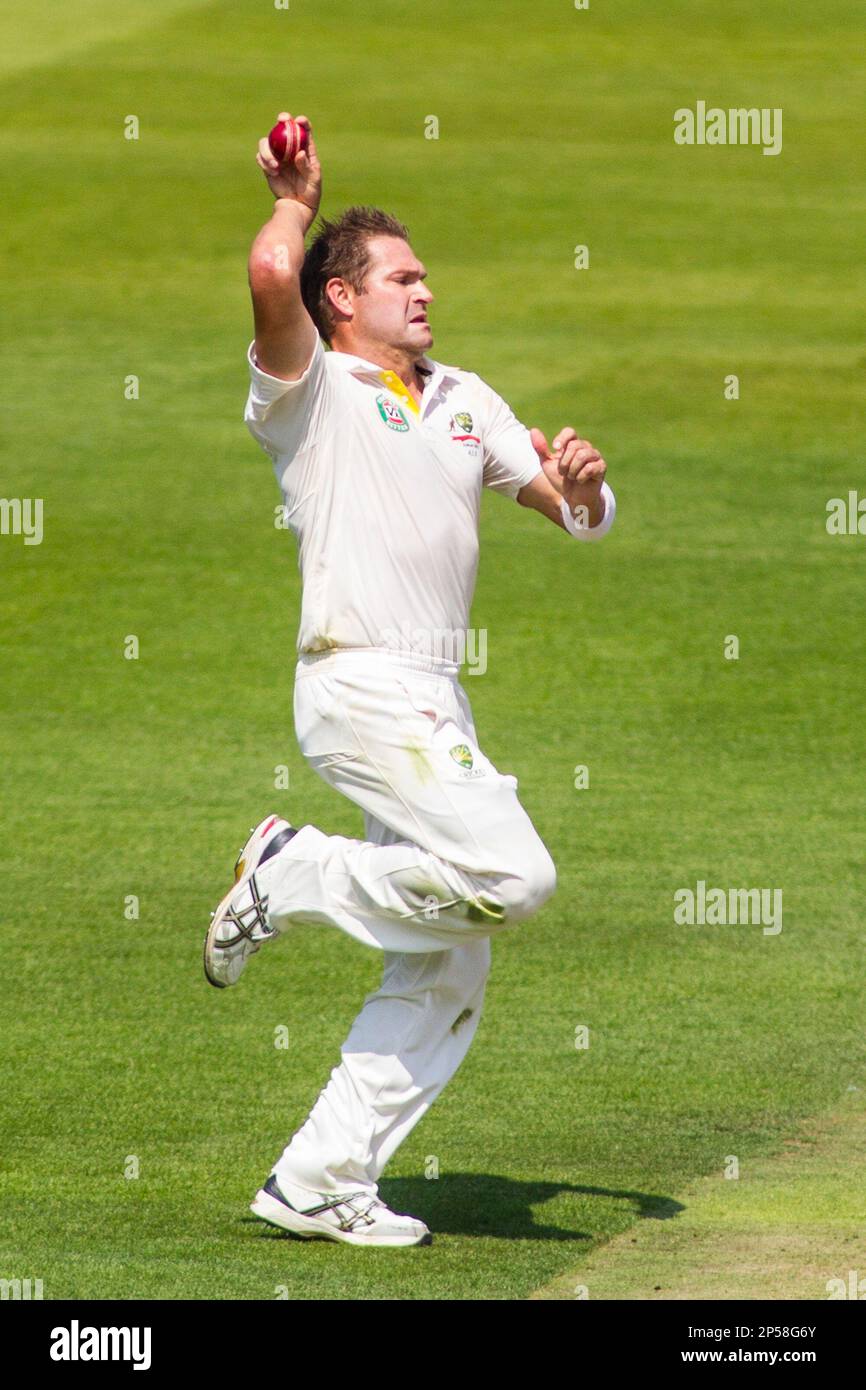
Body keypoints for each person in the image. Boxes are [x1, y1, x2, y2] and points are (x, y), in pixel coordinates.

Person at [203, 111, 617, 1248]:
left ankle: (316, 1181)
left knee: (447, 967)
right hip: (358, 680)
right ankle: (293, 873)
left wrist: (581, 486)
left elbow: (570, 514)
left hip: (433, 694)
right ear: (343, 298)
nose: (423, 291)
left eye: (426, 274)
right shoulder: (308, 390)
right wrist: (296, 196)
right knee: (512, 877)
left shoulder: (463, 396)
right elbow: (267, 268)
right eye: (399, 277)